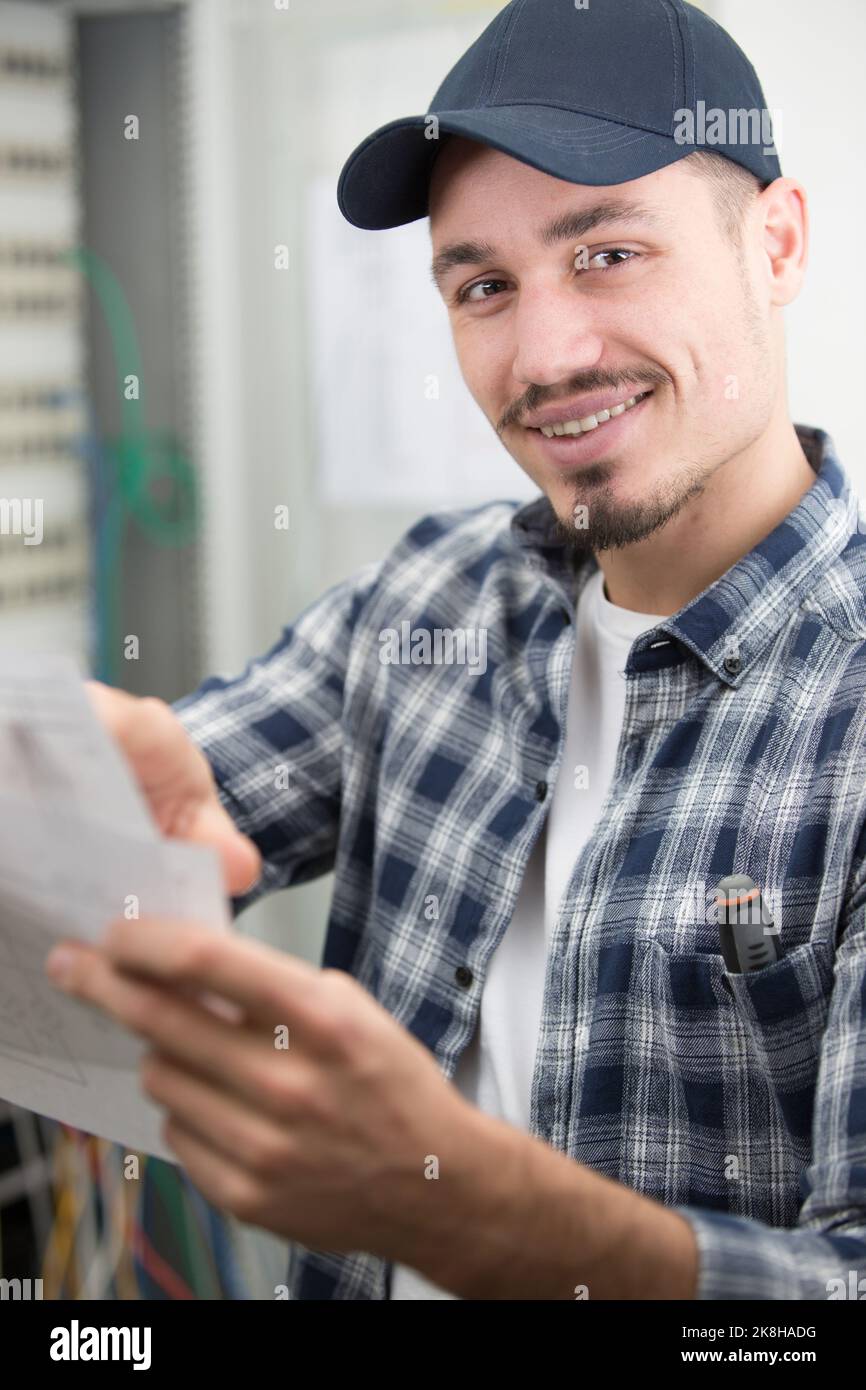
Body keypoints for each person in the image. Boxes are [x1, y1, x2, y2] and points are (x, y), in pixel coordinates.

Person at [46, 0, 866, 1300]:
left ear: (775, 242)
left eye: (605, 252)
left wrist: (474, 1217)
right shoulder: (432, 599)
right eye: (483, 285)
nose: (542, 356)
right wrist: (79, 811)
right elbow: (169, 800)